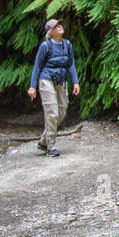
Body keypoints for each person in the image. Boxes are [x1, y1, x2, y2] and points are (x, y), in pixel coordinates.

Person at [27, 18, 79, 157]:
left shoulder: (67, 45)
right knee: (52, 113)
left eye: (59, 24)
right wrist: (32, 87)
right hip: (46, 80)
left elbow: (71, 64)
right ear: (50, 31)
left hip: (61, 79)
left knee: (62, 110)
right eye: (56, 26)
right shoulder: (45, 46)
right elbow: (37, 66)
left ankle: (43, 141)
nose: (60, 26)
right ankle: (51, 146)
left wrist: (75, 82)